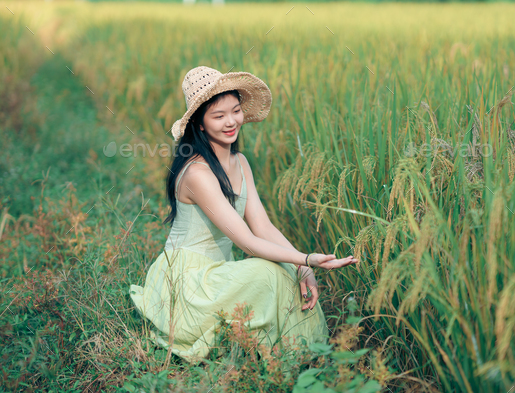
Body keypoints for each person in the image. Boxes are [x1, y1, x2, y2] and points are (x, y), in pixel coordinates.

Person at [129, 66, 359, 363]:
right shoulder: (197, 173)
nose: (230, 122)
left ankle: (305, 359)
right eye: (218, 115)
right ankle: (284, 361)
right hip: (188, 284)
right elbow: (248, 243)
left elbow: (262, 226)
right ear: (199, 124)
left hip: (217, 273)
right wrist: (307, 258)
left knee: (286, 269)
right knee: (268, 270)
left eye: (235, 111)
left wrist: (304, 267)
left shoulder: (240, 162)